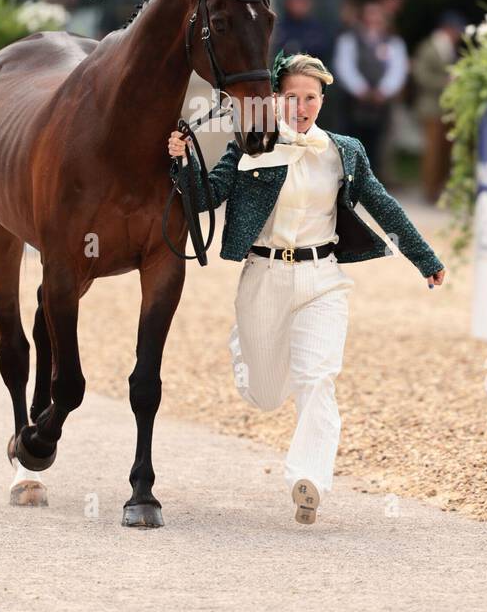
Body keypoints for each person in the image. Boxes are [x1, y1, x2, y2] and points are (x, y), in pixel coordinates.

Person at [167, 50, 445, 526]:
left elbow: (384, 207)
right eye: (291, 97)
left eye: (310, 98)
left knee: (318, 378)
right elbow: (207, 197)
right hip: (263, 277)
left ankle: (309, 480)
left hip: (323, 278)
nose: (301, 106)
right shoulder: (251, 145)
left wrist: (426, 260)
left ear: (322, 99)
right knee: (267, 394)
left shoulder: (344, 151)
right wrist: (183, 163)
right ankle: (246, 350)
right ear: (275, 99)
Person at [333, 0, 409, 182]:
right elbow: (344, 66)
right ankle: (349, 181)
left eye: (378, 15)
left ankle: (369, 183)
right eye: (370, 14)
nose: (374, 19)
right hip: (355, 102)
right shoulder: (350, 39)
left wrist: (384, 90)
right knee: (350, 140)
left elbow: (398, 69)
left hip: (381, 104)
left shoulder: (393, 42)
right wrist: (360, 89)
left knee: (377, 144)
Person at [411, 11, 465, 203]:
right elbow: (421, 75)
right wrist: (445, 82)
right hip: (430, 107)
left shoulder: (448, 47)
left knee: (444, 151)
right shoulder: (429, 47)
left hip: (445, 109)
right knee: (432, 152)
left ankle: (439, 188)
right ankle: (429, 190)